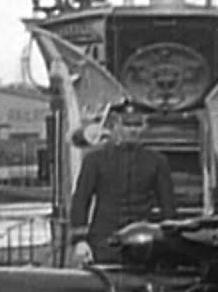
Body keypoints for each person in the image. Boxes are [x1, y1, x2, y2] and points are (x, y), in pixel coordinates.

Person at [70, 100, 177, 266]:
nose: (132, 130)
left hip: (143, 244)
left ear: (144, 127)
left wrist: (169, 243)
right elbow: (81, 200)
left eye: (137, 124)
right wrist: (79, 241)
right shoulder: (95, 160)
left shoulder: (157, 161)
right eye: (127, 124)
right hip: (104, 243)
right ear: (116, 125)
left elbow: (168, 207)